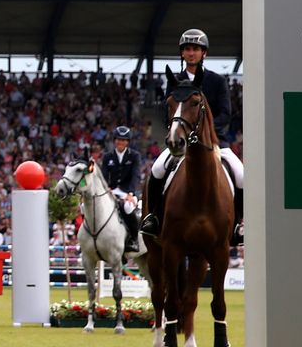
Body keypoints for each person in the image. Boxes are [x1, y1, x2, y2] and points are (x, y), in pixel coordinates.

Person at [140, 28, 245, 245]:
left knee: (241, 174)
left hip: (213, 142)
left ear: (203, 53)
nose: (191, 53)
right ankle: (154, 217)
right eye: (187, 49)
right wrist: (181, 132)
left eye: (196, 49)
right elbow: (166, 111)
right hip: (181, 141)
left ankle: (237, 224)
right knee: (157, 170)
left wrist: (204, 133)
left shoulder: (217, 81)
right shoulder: (174, 80)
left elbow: (225, 113)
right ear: (182, 53)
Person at [99, 125, 144, 253]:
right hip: (112, 190)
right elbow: (103, 175)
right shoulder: (108, 156)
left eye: (124, 140)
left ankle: (134, 239)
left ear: (128, 142)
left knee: (127, 207)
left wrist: (130, 193)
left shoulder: (134, 156)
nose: (121, 142)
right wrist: (105, 188)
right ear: (114, 140)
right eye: (118, 139)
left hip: (127, 191)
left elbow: (136, 176)